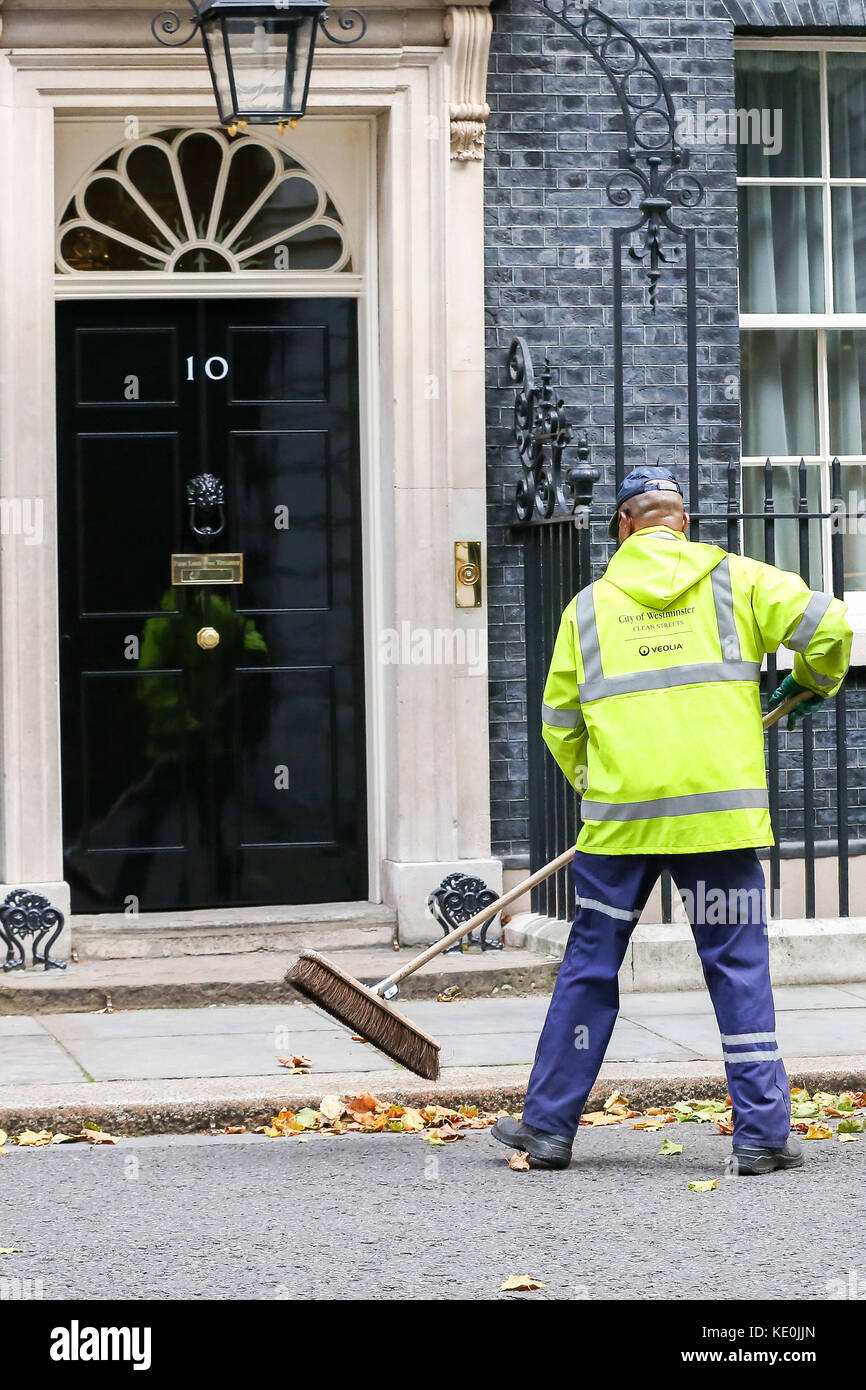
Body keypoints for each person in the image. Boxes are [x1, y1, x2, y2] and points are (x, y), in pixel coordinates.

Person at [493, 465, 852, 1173]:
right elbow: (832, 625)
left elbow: (560, 725)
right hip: (718, 821)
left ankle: (548, 1129)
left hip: (622, 826)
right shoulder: (737, 579)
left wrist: (607, 785)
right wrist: (812, 681)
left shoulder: (588, 609)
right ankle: (758, 1136)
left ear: (622, 526)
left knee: (590, 966)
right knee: (738, 968)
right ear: (681, 521)